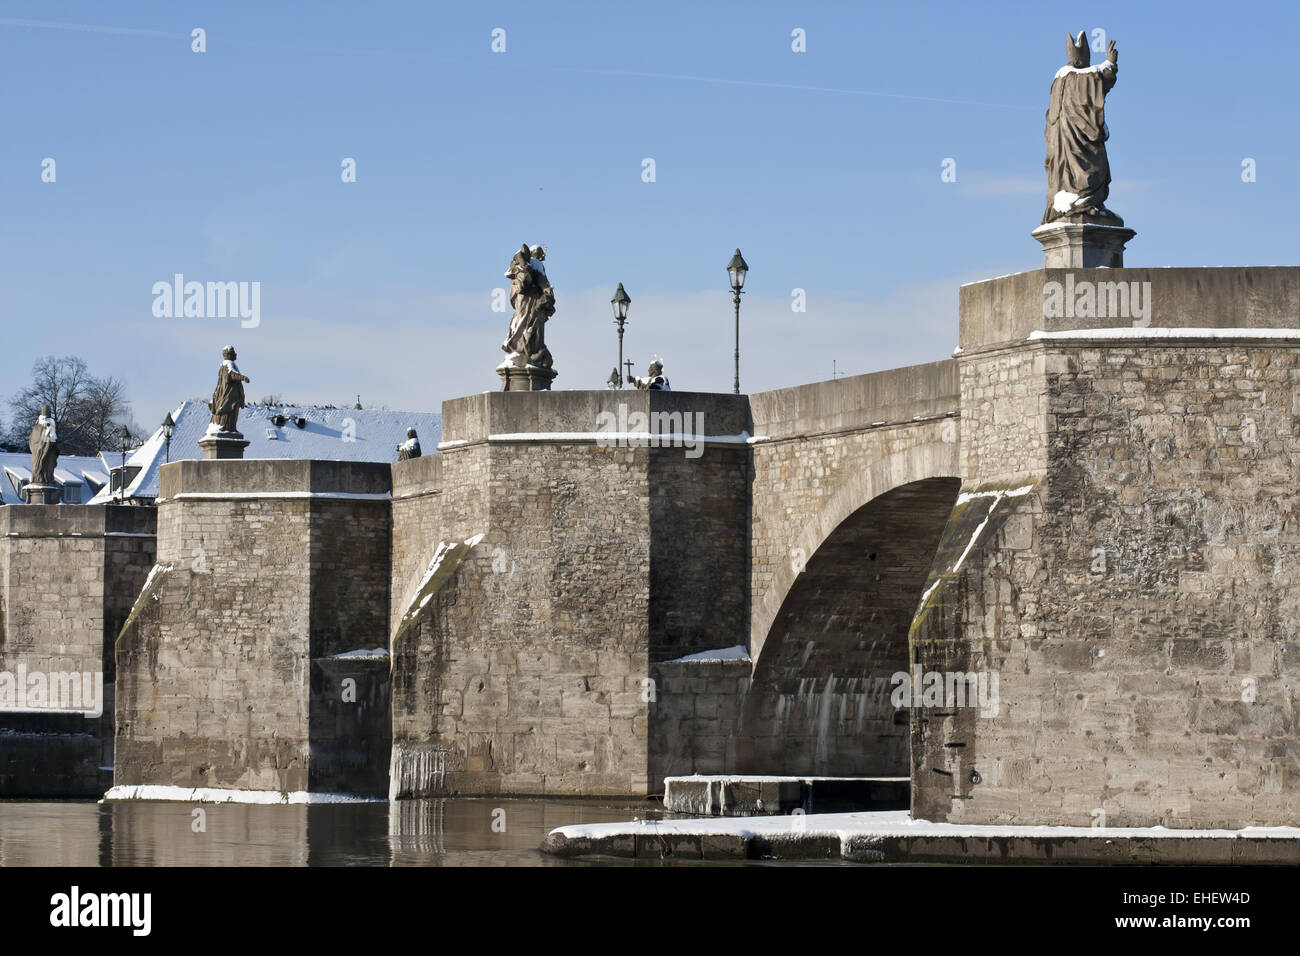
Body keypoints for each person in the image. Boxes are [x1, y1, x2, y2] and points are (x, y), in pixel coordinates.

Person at [1042, 32, 1121, 224]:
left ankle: (1073, 196)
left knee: (1069, 170)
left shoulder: (1057, 82)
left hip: (1061, 145)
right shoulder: (1078, 78)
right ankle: (1083, 199)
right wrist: (1110, 64)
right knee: (1094, 167)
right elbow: (1098, 80)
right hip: (1077, 143)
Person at [209, 346, 251, 433]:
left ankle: (229, 427)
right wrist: (243, 378)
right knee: (230, 411)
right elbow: (232, 375)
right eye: (234, 353)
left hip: (227, 394)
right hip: (230, 395)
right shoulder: (229, 364)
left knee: (229, 410)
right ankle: (229, 427)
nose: (236, 355)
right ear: (229, 355)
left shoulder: (224, 365)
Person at [29, 404, 59, 485]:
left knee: (45, 467)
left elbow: (31, 442)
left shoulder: (37, 426)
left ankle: (44, 477)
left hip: (43, 453)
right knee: (44, 466)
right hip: (43, 452)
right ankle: (43, 478)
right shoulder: (45, 425)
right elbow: (50, 440)